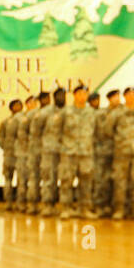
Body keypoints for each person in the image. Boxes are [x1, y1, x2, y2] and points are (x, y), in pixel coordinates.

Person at [58, 84, 95, 219]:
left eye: (85, 94)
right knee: (66, 181)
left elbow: (96, 131)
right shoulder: (66, 112)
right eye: (79, 94)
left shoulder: (91, 112)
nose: (82, 96)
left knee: (86, 182)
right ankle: (66, 209)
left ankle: (84, 209)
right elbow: (57, 131)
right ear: (74, 95)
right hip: (69, 152)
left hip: (86, 153)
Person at [111, 87, 134, 220]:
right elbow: (108, 130)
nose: (132, 97)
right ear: (125, 97)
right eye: (129, 95)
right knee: (120, 182)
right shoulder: (118, 113)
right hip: (122, 153)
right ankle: (119, 209)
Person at [93, 89, 120, 216]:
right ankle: (100, 205)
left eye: (118, 97)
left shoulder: (123, 113)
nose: (117, 99)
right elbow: (99, 131)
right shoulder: (102, 113)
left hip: (119, 152)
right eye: (114, 97)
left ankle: (114, 206)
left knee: (116, 180)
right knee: (101, 179)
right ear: (109, 99)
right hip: (103, 150)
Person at [39, 87, 65, 215]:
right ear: (55, 97)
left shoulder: (68, 111)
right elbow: (36, 131)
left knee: (65, 178)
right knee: (49, 178)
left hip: (66, 151)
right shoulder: (46, 112)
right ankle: (48, 205)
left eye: (64, 95)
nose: (62, 98)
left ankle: (65, 206)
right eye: (59, 95)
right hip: (49, 150)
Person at [24, 91, 51, 213]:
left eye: (48, 98)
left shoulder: (53, 113)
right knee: (34, 178)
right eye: (45, 98)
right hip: (35, 150)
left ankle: (46, 206)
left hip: (48, 150)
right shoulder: (32, 115)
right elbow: (23, 132)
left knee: (47, 178)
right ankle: (32, 205)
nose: (47, 100)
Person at [0, 98, 22, 210]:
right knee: (8, 179)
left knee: (22, 179)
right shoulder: (5, 122)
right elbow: (1, 137)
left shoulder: (25, 120)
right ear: (11, 108)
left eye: (19, 105)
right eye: (16, 105)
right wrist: (6, 147)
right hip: (9, 154)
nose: (18, 107)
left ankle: (20, 203)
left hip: (22, 154)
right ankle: (8, 202)